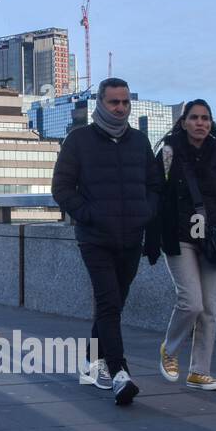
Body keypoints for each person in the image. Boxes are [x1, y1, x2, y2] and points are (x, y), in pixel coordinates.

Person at [52, 77, 163, 407]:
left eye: (125, 102)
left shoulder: (140, 142)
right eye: (114, 102)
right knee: (108, 301)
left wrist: (146, 211)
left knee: (114, 303)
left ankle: (91, 361)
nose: (120, 108)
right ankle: (119, 373)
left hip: (132, 236)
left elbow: (154, 185)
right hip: (95, 238)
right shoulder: (78, 140)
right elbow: (61, 188)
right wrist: (88, 215)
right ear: (100, 103)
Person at [145, 99, 216, 391]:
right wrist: (152, 234)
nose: (200, 123)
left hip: (212, 238)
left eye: (205, 118)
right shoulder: (168, 153)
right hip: (179, 237)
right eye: (194, 118)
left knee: (210, 309)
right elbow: (154, 193)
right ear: (183, 122)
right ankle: (169, 349)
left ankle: (199, 371)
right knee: (191, 302)